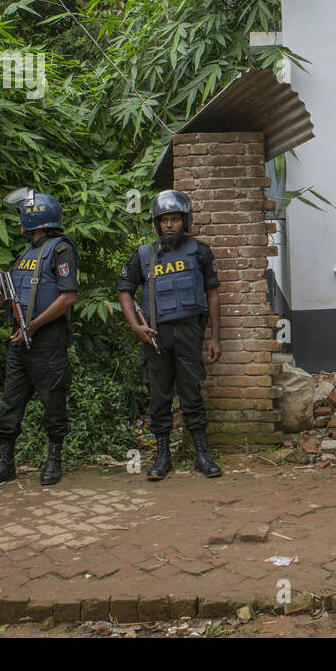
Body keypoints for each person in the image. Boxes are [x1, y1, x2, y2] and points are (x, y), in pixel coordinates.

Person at [118, 190, 223, 480]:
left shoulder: (200, 252)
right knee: (159, 397)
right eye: (164, 220)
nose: (169, 225)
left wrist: (215, 338)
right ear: (157, 223)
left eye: (175, 219)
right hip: (155, 335)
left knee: (191, 392)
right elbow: (124, 291)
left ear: (184, 221)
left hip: (190, 332)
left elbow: (212, 294)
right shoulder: (143, 255)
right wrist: (134, 326)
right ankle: (162, 457)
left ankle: (202, 454)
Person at [0, 189, 77, 489]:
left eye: (22, 216)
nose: (18, 222)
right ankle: (5, 464)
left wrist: (32, 326)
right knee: (11, 404)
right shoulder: (27, 252)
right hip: (19, 340)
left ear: (33, 218)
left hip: (46, 340)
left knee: (53, 402)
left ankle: (53, 461)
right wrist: (4, 299)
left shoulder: (60, 249)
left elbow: (68, 296)